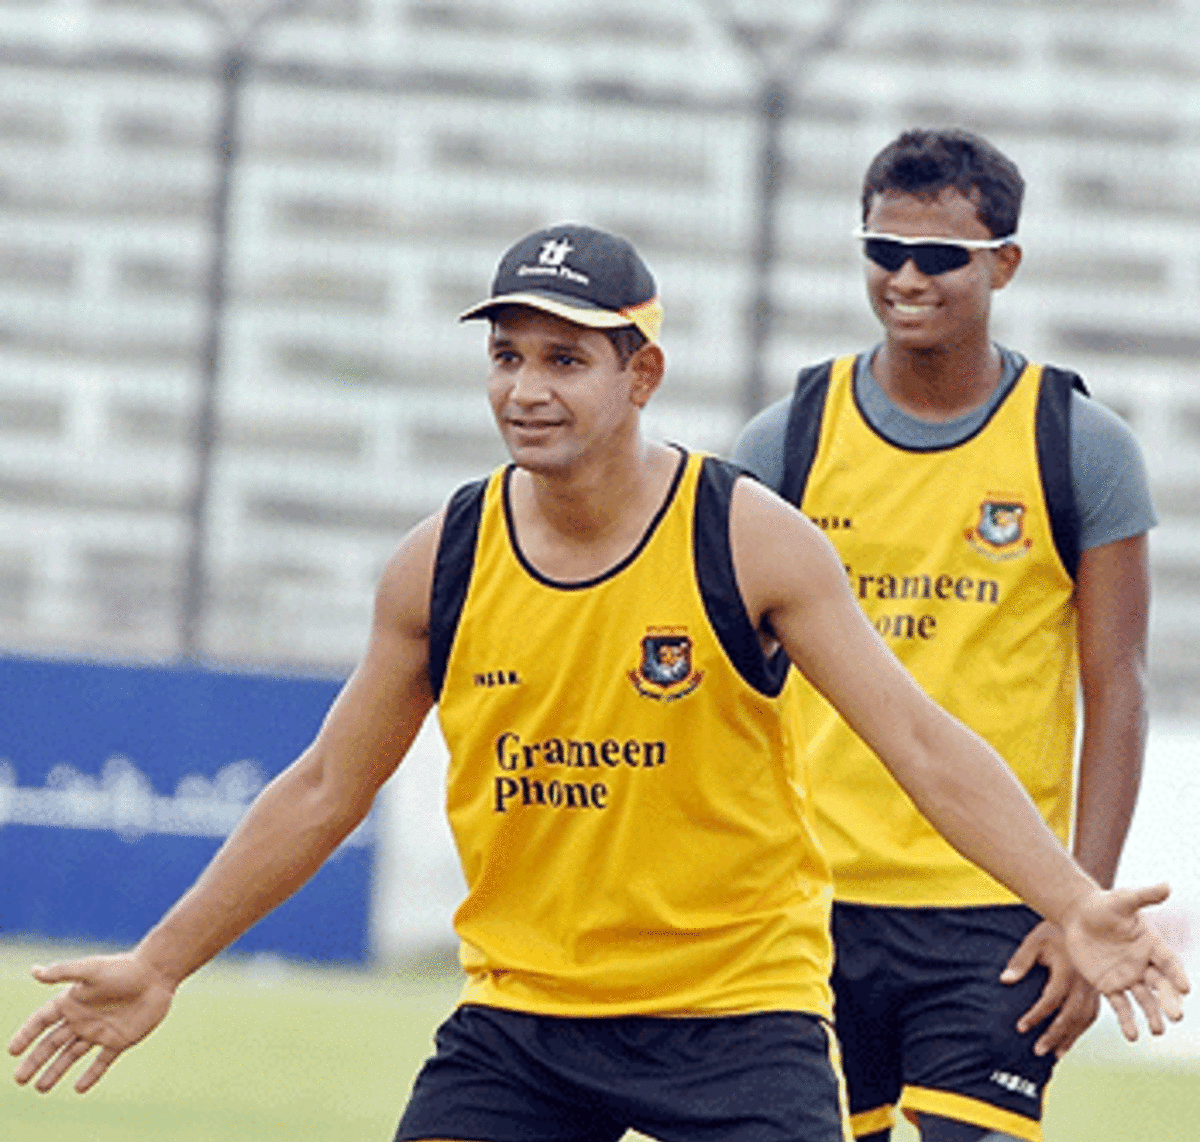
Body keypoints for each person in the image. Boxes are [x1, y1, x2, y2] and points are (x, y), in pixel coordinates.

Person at [9, 223, 1186, 1142]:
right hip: (524, 1019)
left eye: (565, 358)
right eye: (507, 356)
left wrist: (1072, 895)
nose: (527, 388)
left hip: (737, 1012)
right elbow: (325, 786)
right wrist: (160, 961)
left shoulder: (748, 539)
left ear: (642, 372)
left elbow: (919, 743)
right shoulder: (441, 560)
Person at [731, 129, 1163, 1142]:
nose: (907, 278)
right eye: (885, 251)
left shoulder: (1080, 446)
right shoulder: (786, 441)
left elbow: (1119, 685)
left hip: (997, 905)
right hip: (807, 905)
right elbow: (730, 680)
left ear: (1003, 263)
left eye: (939, 256)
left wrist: (1078, 901)